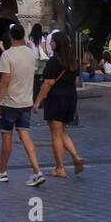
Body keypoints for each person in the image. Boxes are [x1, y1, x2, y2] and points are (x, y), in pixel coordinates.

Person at [0, 24, 45, 187]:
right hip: (26, 101)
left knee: (7, 136)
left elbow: (5, 81)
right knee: (25, 135)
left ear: (11, 36)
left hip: (10, 103)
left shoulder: (7, 55)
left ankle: (2, 171)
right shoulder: (30, 54)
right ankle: (37, 171)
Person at [33, 31, 85, 178]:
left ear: (58, 43)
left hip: (56, 98)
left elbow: (48, 83)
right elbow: (75, 81)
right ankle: (75, 156)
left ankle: (60, 168)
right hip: (70, 97)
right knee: (62, 131)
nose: (50, 44)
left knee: (55, 134)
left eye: (52, 42)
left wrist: (37, 101)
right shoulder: (73, 61)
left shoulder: (54, 61)